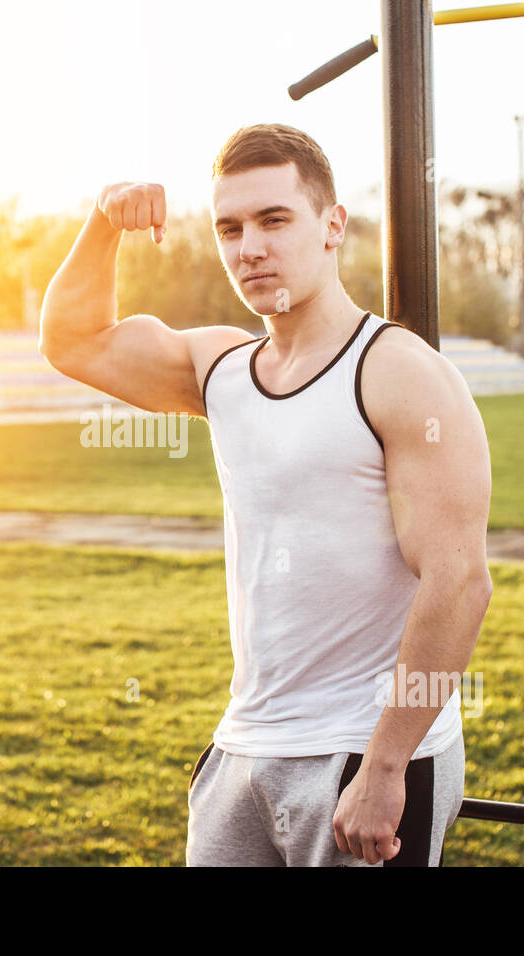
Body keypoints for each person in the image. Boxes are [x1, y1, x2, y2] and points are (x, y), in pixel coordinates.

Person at [38, 123, 493, 866]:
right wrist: (102, 222)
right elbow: (71, 341)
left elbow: (460, 582)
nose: (249, 247)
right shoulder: (218, 368)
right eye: (230, 227)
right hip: (243, 749)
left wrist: (385, 767)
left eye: (274, 220)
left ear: (331, 226)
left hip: (360, 754)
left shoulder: (398, 373)